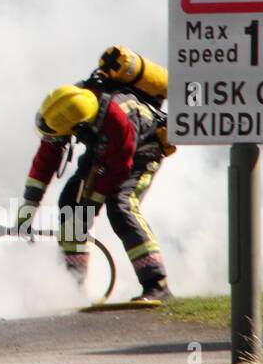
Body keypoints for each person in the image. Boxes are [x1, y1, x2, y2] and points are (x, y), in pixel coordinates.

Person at [17, 83, 173, 303]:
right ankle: (72, 285)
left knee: (121, 205)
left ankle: (156, 284)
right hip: (103, 150)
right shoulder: (70, 106)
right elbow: (48, 153)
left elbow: (116, 168)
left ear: (80, 127)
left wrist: (91, 205)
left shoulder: (117, 123)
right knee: (70, 204)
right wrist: (29, 202)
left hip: (142, 151)